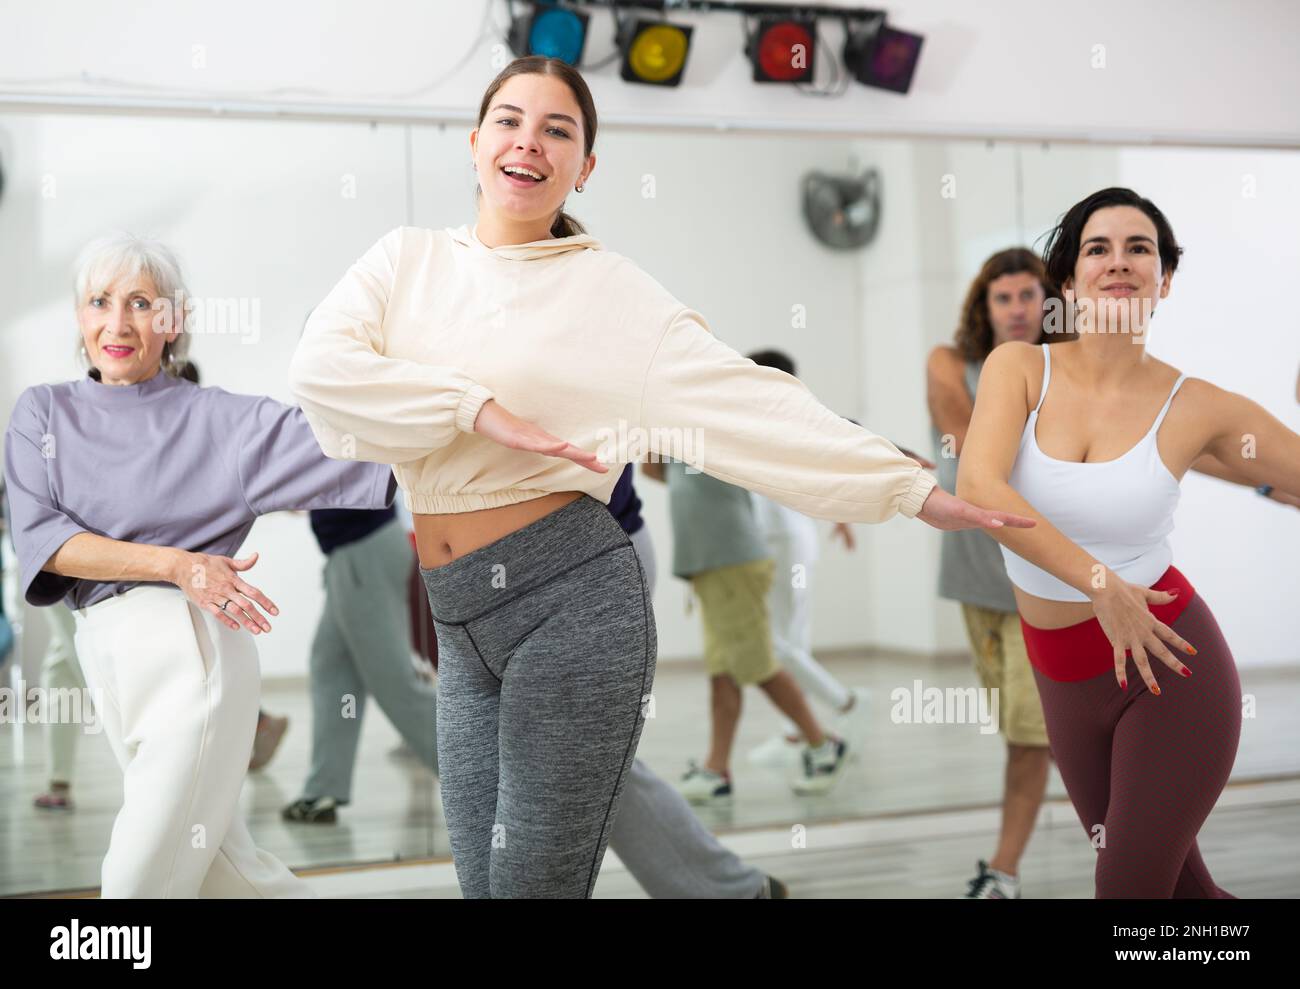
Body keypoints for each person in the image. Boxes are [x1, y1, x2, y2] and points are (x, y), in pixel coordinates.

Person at [288, 55, 1032, 899]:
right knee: (485, 885)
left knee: (531, 886)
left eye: (557, 130)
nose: (528, 143)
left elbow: (742, 400)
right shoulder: (405, 261)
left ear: (585, 167)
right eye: (510, 121)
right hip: (460, 617)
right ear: (474, 142)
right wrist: (473, 409)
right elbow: (321, 371)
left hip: (571, 602)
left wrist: (903, 487)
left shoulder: (606, 290)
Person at [2, 233, 397, 898]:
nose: (118, 322)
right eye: (100, 301)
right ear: (80, 315)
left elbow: (360, 448)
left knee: (134, 882)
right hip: (110, 660)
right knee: (231, 874)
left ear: (173, 321)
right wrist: (180, 563)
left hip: (194, 658)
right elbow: (45, 538)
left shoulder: (219, 421)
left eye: (141, 303)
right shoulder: (42, 413)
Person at [958, 187, 1300, 898]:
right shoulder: (1020, 369)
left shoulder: (1198, 404)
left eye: (1139, 247)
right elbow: (983, 489)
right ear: (1068, 277)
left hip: (1168, 665)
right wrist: (1099, 583)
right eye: (1098, 247)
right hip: (1064, 679)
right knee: (1185, 901)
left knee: (1126, 891)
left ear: (1165, 278)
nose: (1119, 261)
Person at [926, 248, 1056, 898]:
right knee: (1019, 728)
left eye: (1027, 296)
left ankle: (1002, 871)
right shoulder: (950, 363)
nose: (1015, 309)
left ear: (1048, 301)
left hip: (1047, 586)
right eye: (1002, 298)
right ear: (985, 306)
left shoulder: (1067, 370)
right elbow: (972, 441)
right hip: (976, 579)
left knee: (1032, 735)